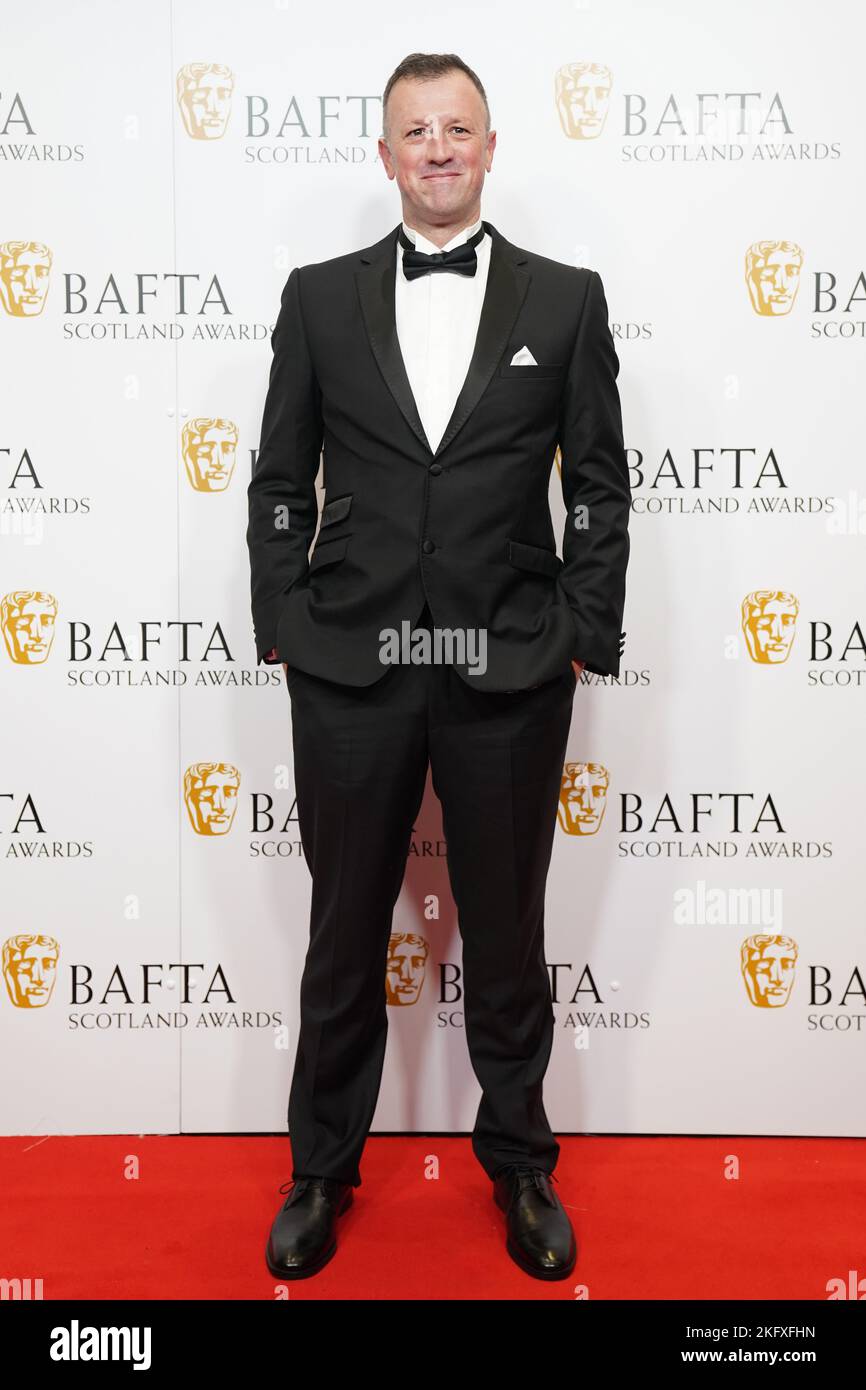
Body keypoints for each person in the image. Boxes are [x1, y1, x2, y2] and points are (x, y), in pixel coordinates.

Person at [246, 50, 631, 1282]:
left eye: (456, 127)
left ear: (489, 143)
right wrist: (285, 625)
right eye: (414, 130)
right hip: (351, 668)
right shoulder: (315, 297)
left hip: (506, 666)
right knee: (342, 929)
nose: (436, 148)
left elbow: (602, 490)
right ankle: (319, 1169)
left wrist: (579, 633)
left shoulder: (564, 300)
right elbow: (275, 484)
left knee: (507, 932)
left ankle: (519, 1162)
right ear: (384, 154)